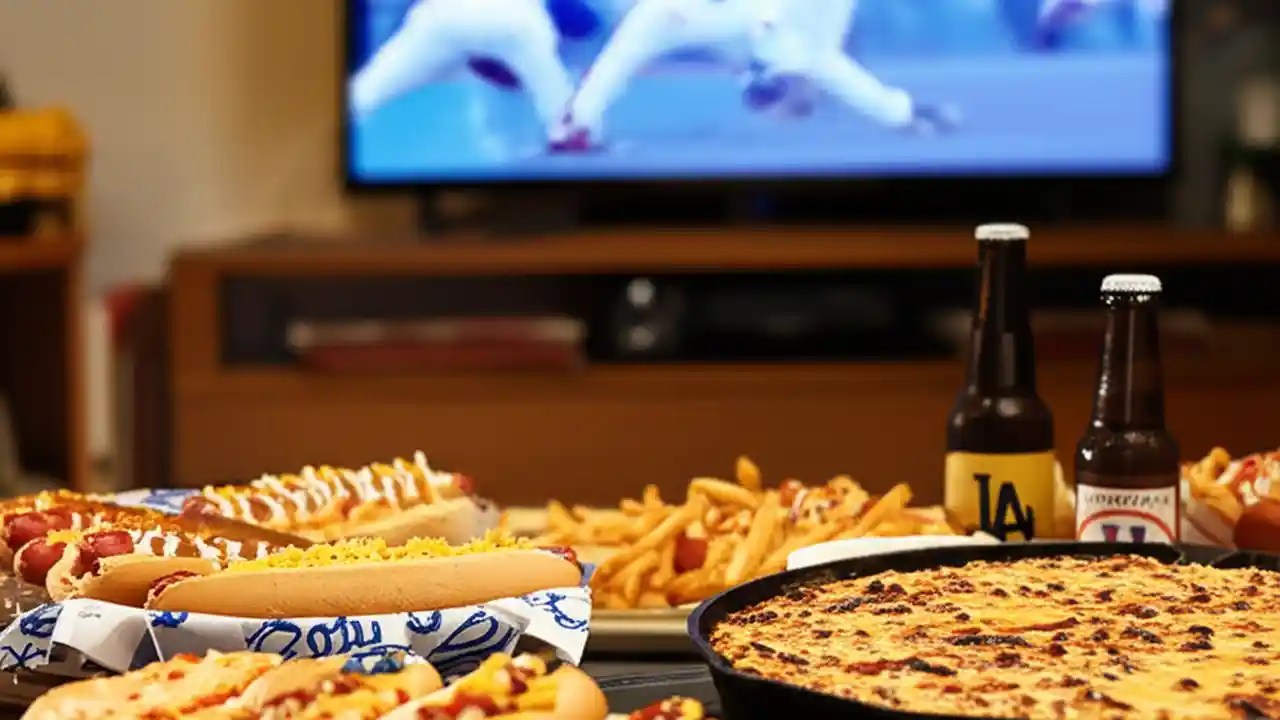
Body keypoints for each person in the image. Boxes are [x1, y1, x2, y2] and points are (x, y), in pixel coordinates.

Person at [555, 0, 959, 152]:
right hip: (696, 14)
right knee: (641, 30)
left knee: (808, 53)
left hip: (747, 22)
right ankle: (580, 122)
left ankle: (899, 113)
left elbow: (815, 49)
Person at [349, 0, 601, 147]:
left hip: (442, 18)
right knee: (571, 123)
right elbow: (585, 24)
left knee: (363, 94)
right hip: (514, 23)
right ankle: (570, 126)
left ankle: (348, 107)